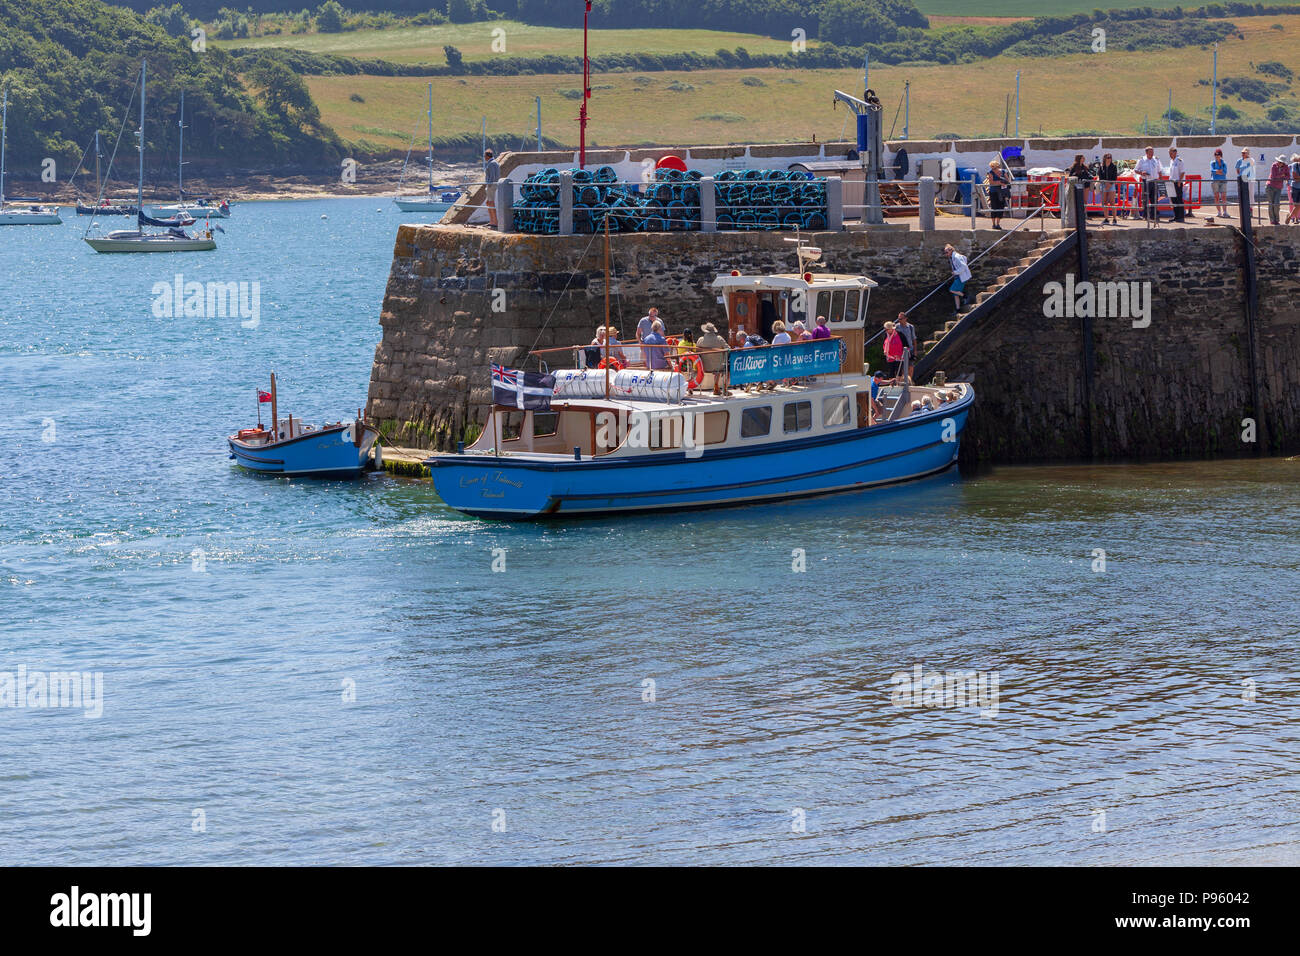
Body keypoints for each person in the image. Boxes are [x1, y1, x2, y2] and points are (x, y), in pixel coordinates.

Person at [696, 322, 729, 394]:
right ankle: (723, 388)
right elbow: (728, 349)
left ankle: (716, 387)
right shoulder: (719, 339)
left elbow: (696, 351)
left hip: (705, 367)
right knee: (727, 368)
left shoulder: (700, 340)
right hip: (718, 367)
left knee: (717, 366)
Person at [1134, 146, 1162, 226]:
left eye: (1152, 151)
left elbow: (1160, 170)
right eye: (1150, 152)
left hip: (1155, 181)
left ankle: (1155, 215)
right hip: (1146, 181)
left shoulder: (1156, 159)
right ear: (1146, 153)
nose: (1152, 153)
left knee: (1155, 199)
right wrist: (1141, 172)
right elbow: (1136, 170)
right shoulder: (1141, 160)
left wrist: (1161, 180)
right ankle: (1146, 215)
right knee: (1145, 199)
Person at [944, 243, 971, 313]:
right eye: (945, 253)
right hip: (958, 276)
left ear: (951, 250)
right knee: (955, 294)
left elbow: (963, 266)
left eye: (947, 252)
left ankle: (966, 296)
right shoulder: (953, 257)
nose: (946, 254)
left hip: (961, 277)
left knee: (952, 289)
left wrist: (956, 272)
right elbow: (965, 258)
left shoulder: (956, 257)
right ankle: (958, 309)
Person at [986, 158, 1010, 230]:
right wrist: (1000, 182)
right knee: (994, 207)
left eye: (993, 166)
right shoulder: (990, 172)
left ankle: (998, 223)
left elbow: (1007, 180)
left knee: (1001, 207)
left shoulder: (1003, 171)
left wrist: (1004, 182)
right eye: (992, 166)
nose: (993, 168)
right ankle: (993, 224)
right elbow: (991, 182)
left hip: (1002, 191)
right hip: (993, 192)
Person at [1266, 154, 1288, 225]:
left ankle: (1277, 220)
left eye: (1280, 162)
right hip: (1270, 186)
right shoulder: (1274, 165)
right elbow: (1274, 176)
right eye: (1278, 161)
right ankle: (1272, 220)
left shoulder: (1286, 167)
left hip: (1278, 187)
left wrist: (1281, 176)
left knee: (1276, 204)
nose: (1279, 162)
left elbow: (1288, 176)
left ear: (1283, 163)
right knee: (1271, 204)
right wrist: (1282, 175)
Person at [1098, 152, 1119, 225]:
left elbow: (1115, 177)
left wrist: (1109, 184)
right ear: (1104, 158)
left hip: (1111, 184)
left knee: (1112, 202)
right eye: (1108, 157)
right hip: (1103, 185)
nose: (1109, 159)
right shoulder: (1101, 166)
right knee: (1104, 202)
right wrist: (1105, 183)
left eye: (1110, 157)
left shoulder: (1113, 166)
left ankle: (1114, 219)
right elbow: (1100, 177)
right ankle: (1106, 218)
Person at [1166, 147, 1186, 223]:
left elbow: (1182, 172)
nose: (1170, 155)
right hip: (1171, 182)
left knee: (1179, 200)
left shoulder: (1180, 161)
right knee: (1173, 200)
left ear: (1175, 152)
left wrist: (1179, 181)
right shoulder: (1171, 161)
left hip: (1177, 182)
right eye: (1169, 153)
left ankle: (1180, 217)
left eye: (1171, 153)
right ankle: (1176, 216)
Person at [1235, 147, 1256, 220]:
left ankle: (1250, 210)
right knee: (1243, 193)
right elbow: (1237, 170)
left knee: (1250, 194)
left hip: (1250, 178)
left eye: (1244, 153)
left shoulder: (1251, 160)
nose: (1243, 154)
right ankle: (1244, 210)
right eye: (1242, 153)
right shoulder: (1239, 161)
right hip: (1243, 178)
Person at [1209, 149, 1229, 218]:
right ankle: (1219, 212)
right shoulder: (1212, 163)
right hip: (1215, 181)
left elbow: (1224, 172)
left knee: (1223, 196)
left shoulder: (1224, 163)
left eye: (1218, 154)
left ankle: (1225, 212)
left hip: (1223, 181)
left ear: (1221, 155)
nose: (1217, 156)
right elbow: (1212, 171)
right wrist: (1219, 171)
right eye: (1215, 154)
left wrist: (1217, 171)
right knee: (1216, 196)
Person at [484, 149, 500, 228]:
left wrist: (489, 185)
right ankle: (492, 221)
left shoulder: (491, 163)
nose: (484, 157)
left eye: (485, 156)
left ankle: (495, 222)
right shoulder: (494, 162)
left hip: (491, 186)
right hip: (491, 185)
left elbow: (493, 176)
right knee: (488, 202)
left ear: (487, 156)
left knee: (491, 202)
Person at [1289, 154, 1300, 225]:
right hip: (1295, 187)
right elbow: (1295, 177)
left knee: (1298, 205)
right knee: (1296, 204)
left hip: (1296, 186)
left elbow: (1297, 178)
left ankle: (1291, 217)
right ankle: (1294, 218)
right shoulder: (1294, 165)